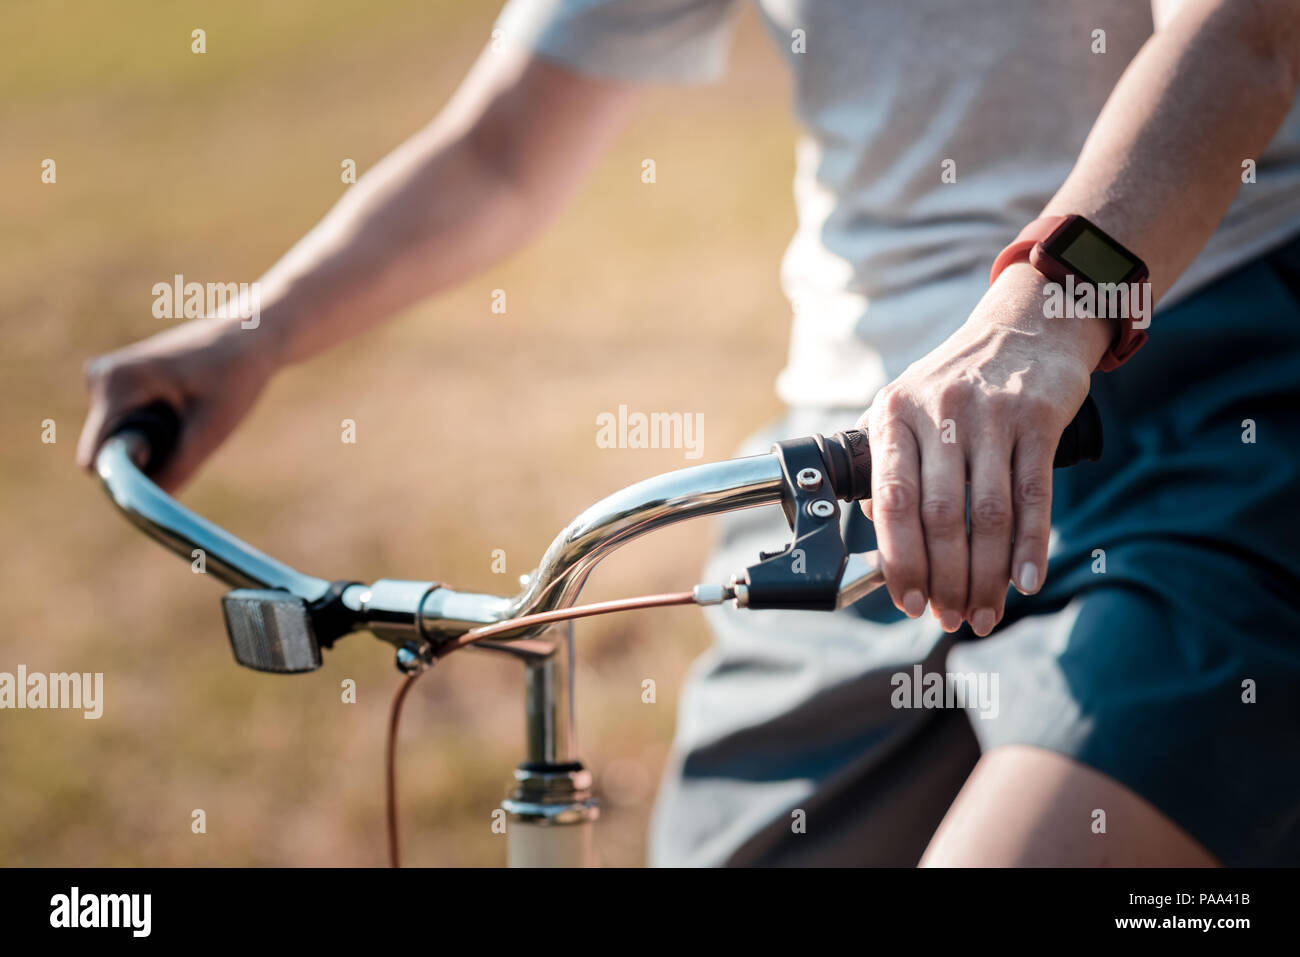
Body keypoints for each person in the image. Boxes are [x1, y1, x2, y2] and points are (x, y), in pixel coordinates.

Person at [78, 0, 1300, 866]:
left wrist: (1046, 312)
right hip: (853, 455)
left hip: (1191, 390)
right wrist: (252, 332)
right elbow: (504, 151)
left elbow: (1243, 32)